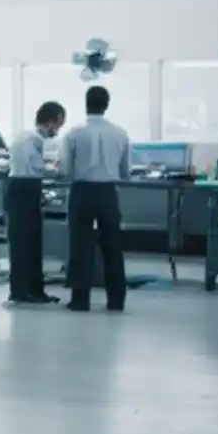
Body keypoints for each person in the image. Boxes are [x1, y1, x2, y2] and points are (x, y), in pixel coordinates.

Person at [60, 85, 130, 312]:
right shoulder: (120, 133)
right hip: (109, 192)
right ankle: (116, 300)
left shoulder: (73, 133)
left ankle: (80, 299)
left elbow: (66, 170)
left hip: (82, 191)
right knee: (113, 246)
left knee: (80, 245)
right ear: (107, 105)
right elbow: (126, 170)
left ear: (86, 103)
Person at [6, 101, 67, 305]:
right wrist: (56, 169)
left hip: (21, 189)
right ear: (53, 121)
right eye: (58, 125)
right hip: (25, 188)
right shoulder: (33, 139)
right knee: (26, 243)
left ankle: (32, 290)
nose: (57, 131)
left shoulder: (26, 137)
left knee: (29, 242)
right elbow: (34, 168)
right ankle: (24, 291)